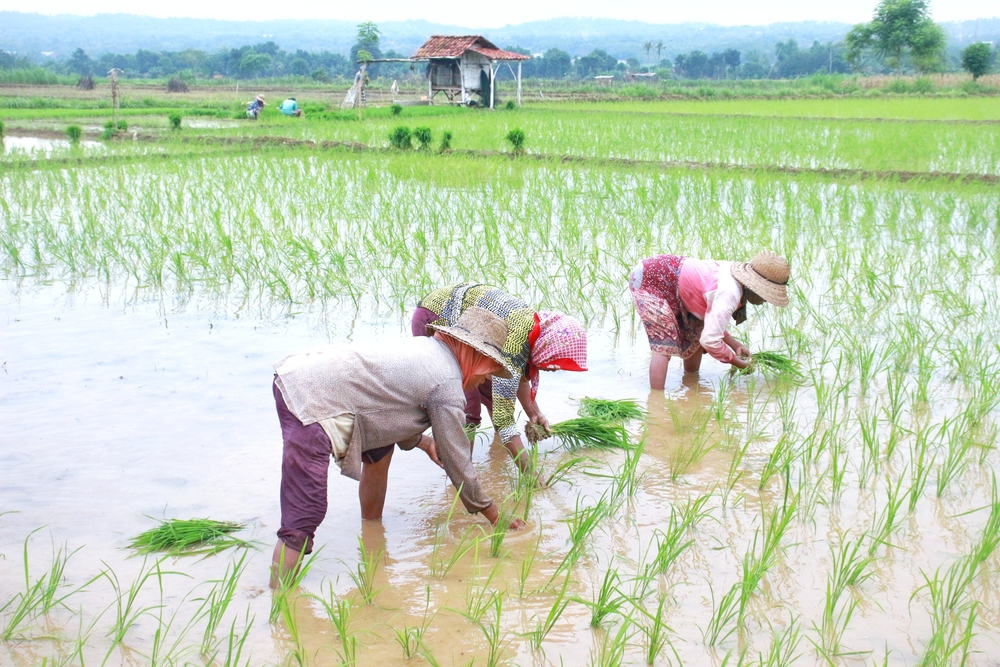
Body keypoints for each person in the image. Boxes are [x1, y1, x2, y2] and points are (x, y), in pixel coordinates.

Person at [270, 307, 526, 586]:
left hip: (308, 375)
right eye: (490, 369)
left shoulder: (425, 349)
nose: (488, 378)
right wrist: (493, 513)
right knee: (306, 510)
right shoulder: (447, 382)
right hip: (312, 396)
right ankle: (279, 597)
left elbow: (386, 404)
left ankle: (372, 530)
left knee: (380, 450)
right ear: (476, 356)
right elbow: (457, 459)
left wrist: (423, 442)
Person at [409, 283, 588, 473]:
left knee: (494, 395)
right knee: (467, 407)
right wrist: (531, 475)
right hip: (439, 318)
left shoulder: (532, 332)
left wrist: (534, 413)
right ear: (548, 347)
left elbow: (516, 378)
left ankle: (495, 465)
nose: (554, 369)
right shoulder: (516, 342)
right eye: (554, 362)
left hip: (479, 337)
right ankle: (462, 475)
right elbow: (505, 418)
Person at [629, 250, 791, 390]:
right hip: (650, 279)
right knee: (664, 343)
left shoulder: (735, 281)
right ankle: (657, 401)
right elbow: (711, 341)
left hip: (674, 276)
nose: (765, 301)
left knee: (697, 329)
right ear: (756, 288)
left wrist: (735, 344)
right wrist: (736, 362)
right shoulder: (729, 294)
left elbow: (712, 325)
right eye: (766, 296)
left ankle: (691, 381)